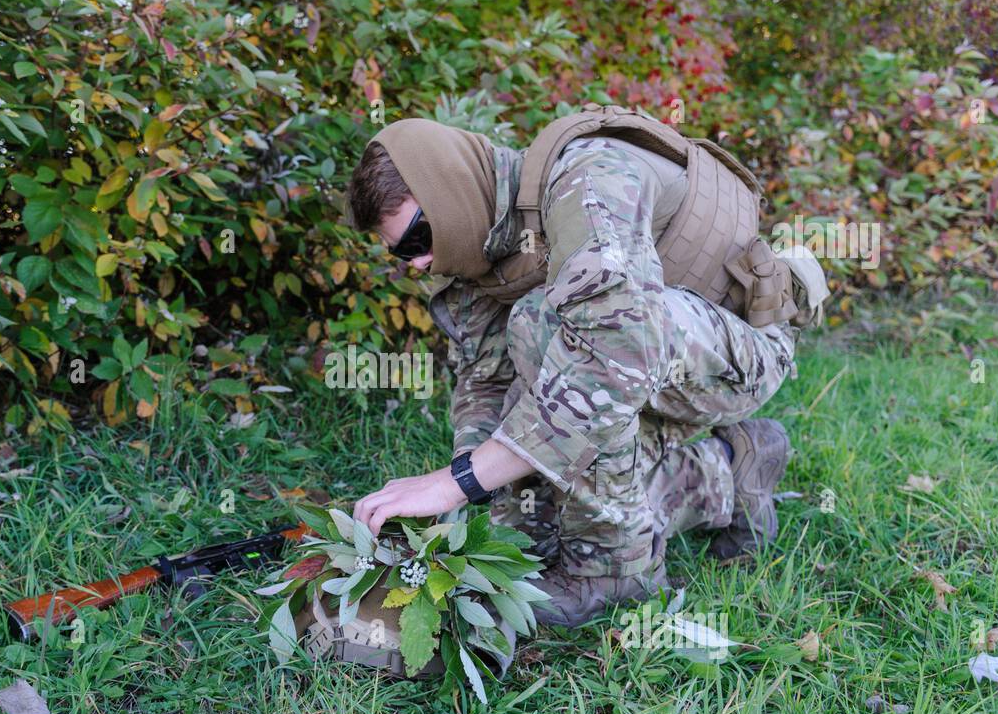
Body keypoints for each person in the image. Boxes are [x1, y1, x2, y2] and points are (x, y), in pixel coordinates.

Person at [344, 115, 823, 626]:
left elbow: (616, 353)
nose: (415, 264)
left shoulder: (590, 177)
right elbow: (487, 382)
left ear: (452, 194)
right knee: (542, 533)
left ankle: (615, 576)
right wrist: (477, 502)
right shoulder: (476, 253)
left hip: (735, 354)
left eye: (418, 238)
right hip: (640, 365)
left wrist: (454, 482)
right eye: (400, 253)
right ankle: (729, 468)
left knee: (544, 324)